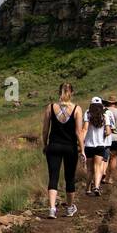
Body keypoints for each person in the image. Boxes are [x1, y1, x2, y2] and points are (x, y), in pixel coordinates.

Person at [41, 82, 84, 219]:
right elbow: (78, 132)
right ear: (71, 92)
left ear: (58, 92)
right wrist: (82, 149)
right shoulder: (77, 109)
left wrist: (45, 144)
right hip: (70, 147)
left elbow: (45, 130)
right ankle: (70, 208)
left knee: (53, 177)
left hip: (53, 146)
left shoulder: (50, 107)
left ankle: (52, 209)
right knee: (69, 178)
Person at [82, 96, 112, 195]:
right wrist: (103, 134)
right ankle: (97, 187)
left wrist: (81, 140)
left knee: (90, 169)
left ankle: (87, 188)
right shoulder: (105, 116)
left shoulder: (87, 113)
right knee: (98, 167)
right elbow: (108, 132)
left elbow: (85, 128)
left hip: (89, 145)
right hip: (100, 145)